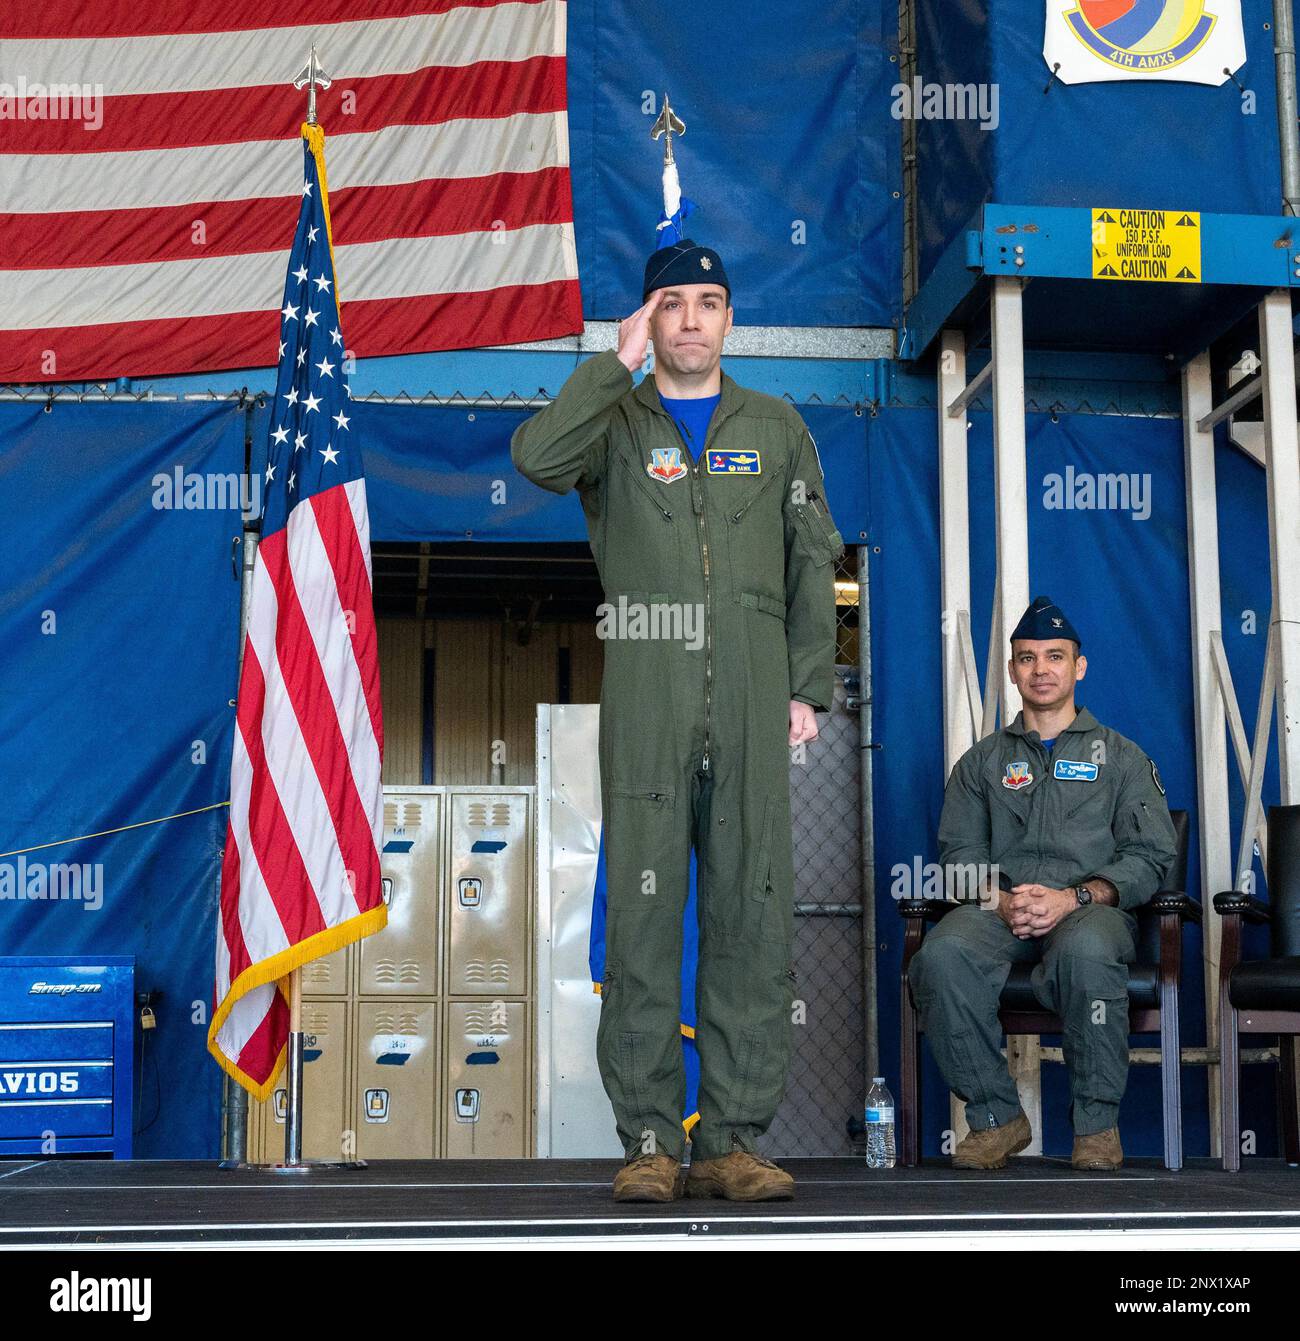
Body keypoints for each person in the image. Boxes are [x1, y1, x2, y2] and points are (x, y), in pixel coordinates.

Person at [511, 239, 843, 1202]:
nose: (692, 318)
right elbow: (535, 457)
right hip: (649, 689)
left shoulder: (777, 427)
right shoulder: (614, 425)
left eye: (708, 302)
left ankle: (732, 1138)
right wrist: (608, 370)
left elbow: (811, 560)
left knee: (751, 916)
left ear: (730, 318)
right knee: (646, 918)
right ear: (647, 321)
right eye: (672, 304)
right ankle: (651, 1139)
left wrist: (805, 688)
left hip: (750, 691)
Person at [908, 596, 1177, 1171]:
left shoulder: (1122, 760)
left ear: (1079, 667)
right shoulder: (980, 764)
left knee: (1086, 952)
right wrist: (1002, 900)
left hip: (1088, 908)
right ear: (1012, 670)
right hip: (998, 909)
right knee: (941, 956)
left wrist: (1073, 897)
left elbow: (1150, 854)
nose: (1041, 669)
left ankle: (1097, 1127)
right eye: (1027, 658)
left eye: (1055, 657)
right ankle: (996, 1116)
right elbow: (958, 854)